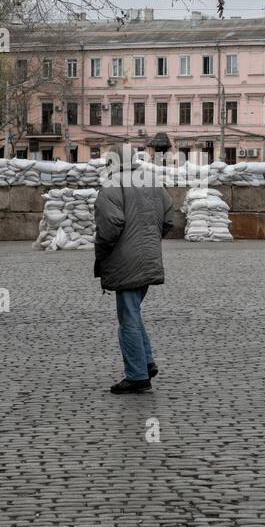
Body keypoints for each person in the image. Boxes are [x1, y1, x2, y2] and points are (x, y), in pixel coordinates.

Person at [94, 144, 175, 394]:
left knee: (127, 318)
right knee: (134, 312)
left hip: (124, 260)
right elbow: (170, 218)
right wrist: (151, 239)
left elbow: (110, 225)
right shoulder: (151, 180)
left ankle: (137, 375)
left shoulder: (111, 185)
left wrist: (103, 253)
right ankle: (146, 362)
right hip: (149, 257)